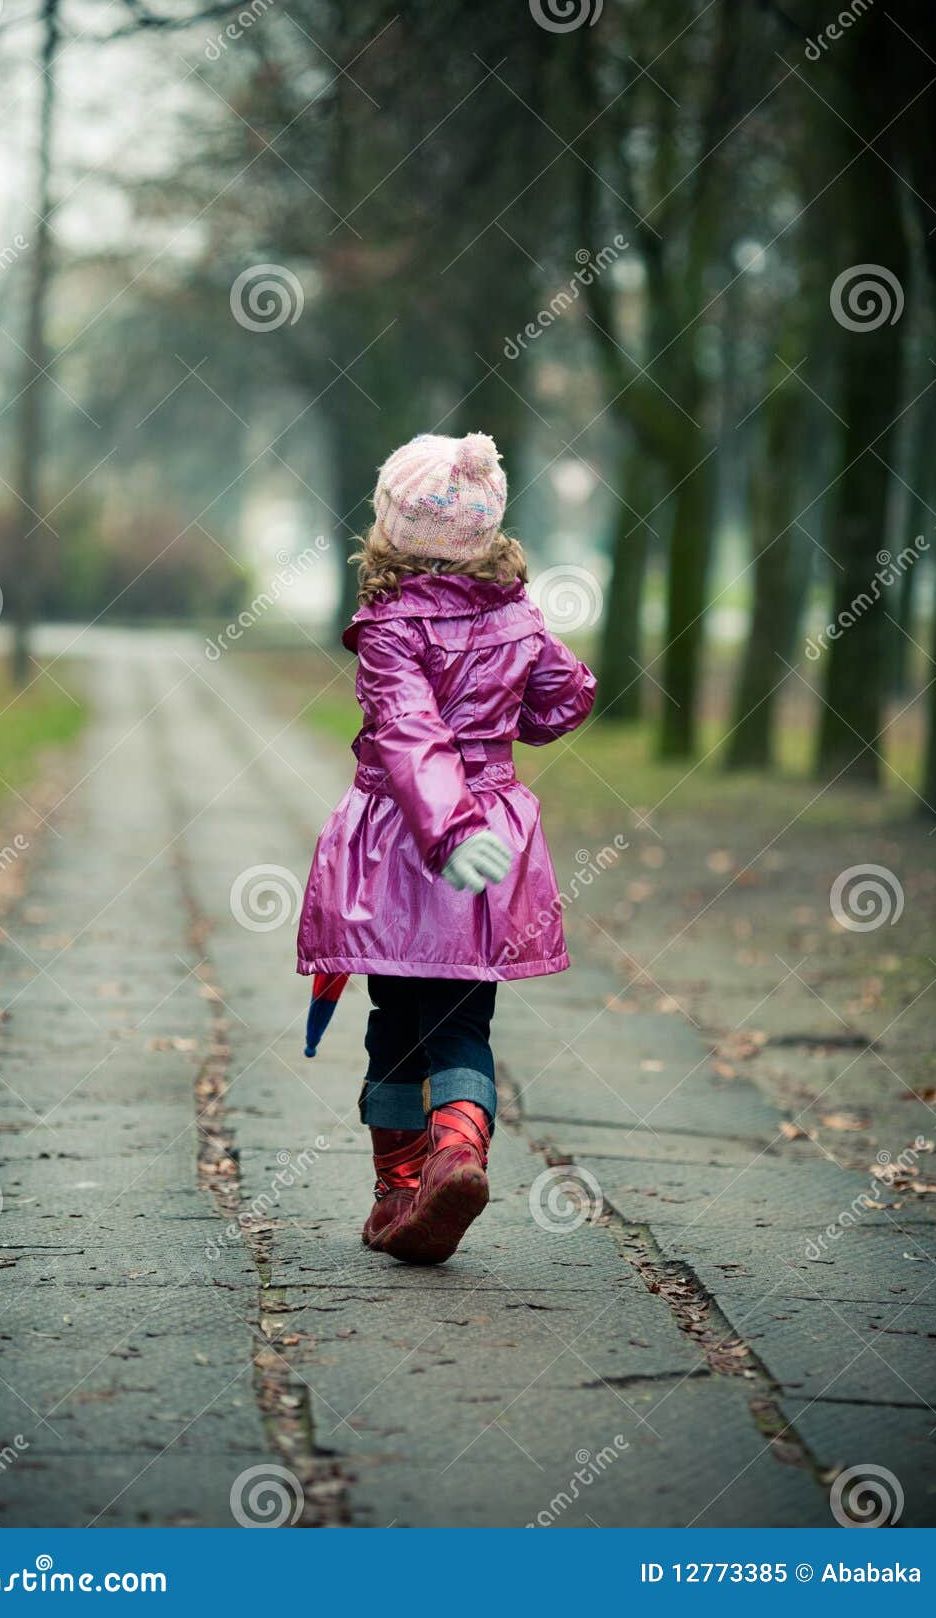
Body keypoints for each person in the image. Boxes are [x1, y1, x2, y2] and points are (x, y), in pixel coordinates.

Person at [297, 431, 596, 1264]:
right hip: (487, 838)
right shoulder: (515, 615)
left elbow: (409, 731)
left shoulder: (389, 626)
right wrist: (503, 716)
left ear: (392, 528)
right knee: (463, 1015)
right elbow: (564, 700)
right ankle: (455, 1153)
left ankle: (400, 1186)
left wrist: (448, 826)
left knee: (395, 1014)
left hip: (405, 842)